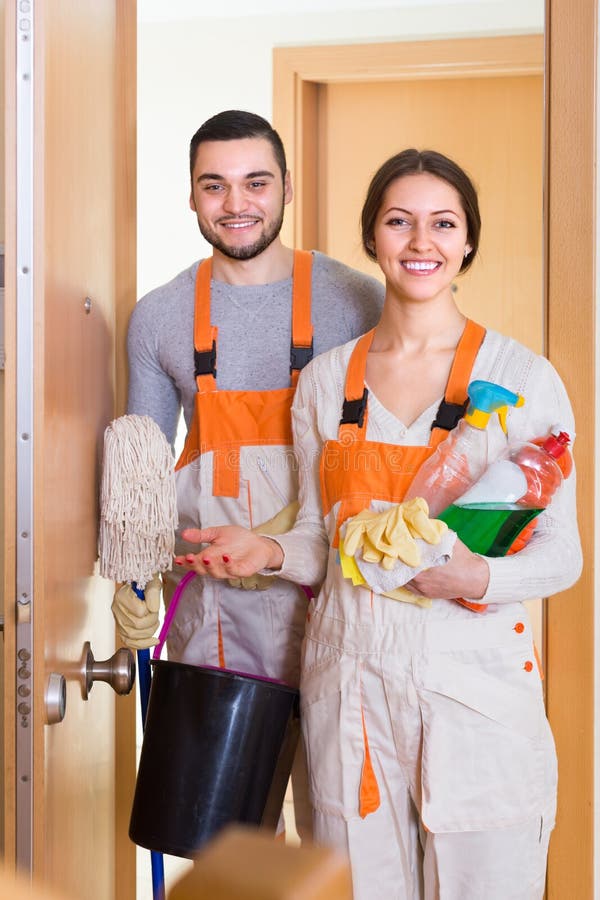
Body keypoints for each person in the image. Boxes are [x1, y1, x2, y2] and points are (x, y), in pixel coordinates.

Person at [177, 149, 583, 898]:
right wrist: (266, 549)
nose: (421, 242)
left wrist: (475, 576)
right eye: (399, 222)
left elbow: (563, 557)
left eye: (443, 224)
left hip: (474, 688)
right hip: (350, 688)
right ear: (372, 237)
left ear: (468, 240)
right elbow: (323, 539)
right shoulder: (326, 382)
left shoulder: (522, 378)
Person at [111, 109, 385, 839]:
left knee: (340, 844)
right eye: (215, 185)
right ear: (191, 195)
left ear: (287, 187)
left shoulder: (359, 301)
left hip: (334, 598)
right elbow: (142, 470)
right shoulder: (160, 317)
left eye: (256, 182)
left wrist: (284, 541)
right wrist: (133, 579)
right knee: (223, 847)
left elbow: (394, 453)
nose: (236, 203)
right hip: (215, 612)